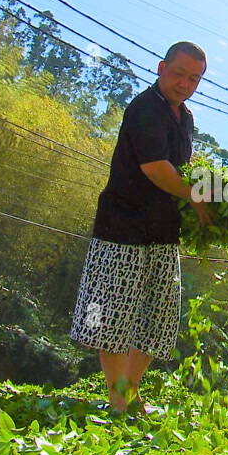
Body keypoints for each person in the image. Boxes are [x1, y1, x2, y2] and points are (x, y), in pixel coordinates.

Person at [69, 41, 213, 415]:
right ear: (162, 67)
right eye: (179, 73)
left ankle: (130, 390)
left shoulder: (186, 118)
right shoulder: (145, 108)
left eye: (194, 78)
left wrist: (207, 193)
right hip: (122, 227)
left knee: (158, 315)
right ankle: (119, 397)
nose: (185, 83)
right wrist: (195, 195)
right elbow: (155, 167)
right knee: (113, 313)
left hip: (163, 231)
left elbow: (181, 166)